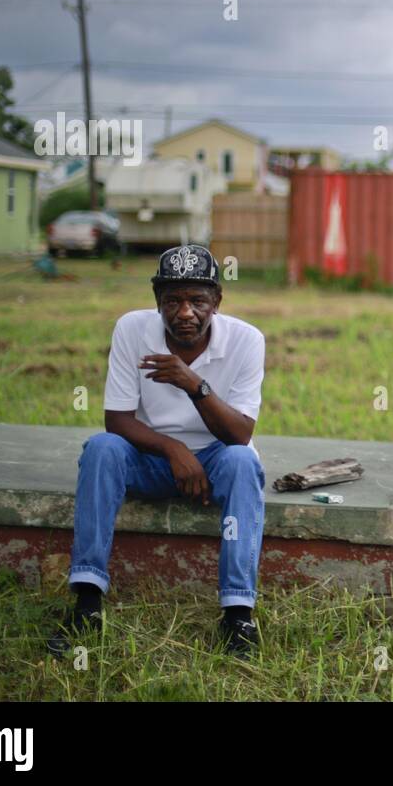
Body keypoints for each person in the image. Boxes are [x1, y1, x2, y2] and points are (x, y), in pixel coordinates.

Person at [46, 244, 267, 659]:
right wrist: (173, 449)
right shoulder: (132, 329)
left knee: (242, 462)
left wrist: (193, 383)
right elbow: (117, 420)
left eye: (198, 300)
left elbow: (240, 433)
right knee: (101, 449)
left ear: (217, 301)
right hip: (150, 458)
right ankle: (87, 603)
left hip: (218, 458)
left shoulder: (246, 340)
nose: (185, 312)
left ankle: (238, 615)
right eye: (173, 300)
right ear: (157, 301)